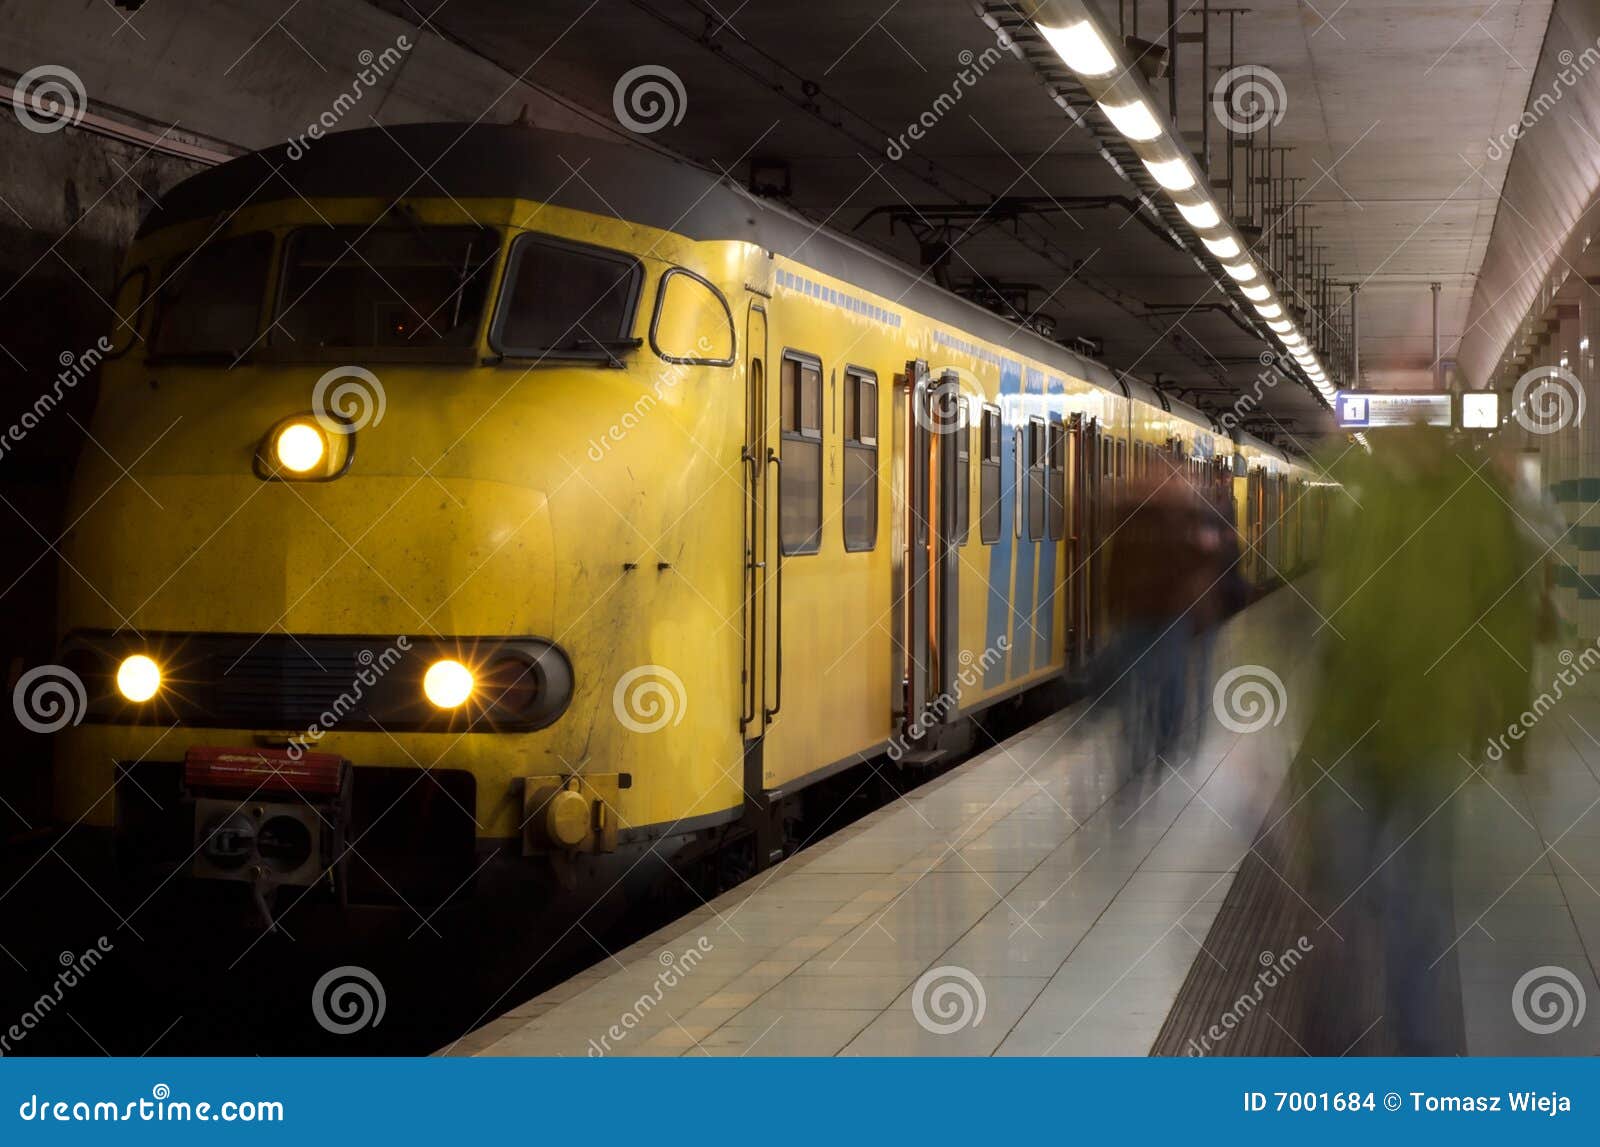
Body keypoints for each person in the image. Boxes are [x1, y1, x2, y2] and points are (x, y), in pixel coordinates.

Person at [1298, 423, 1536, 1054]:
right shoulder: (1359, 482)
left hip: (1427, 731)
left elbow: (1505, 612)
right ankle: (1338, 1046)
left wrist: (1507, 724)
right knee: (1347, 900)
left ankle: (1418, 1070)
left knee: (1415, 907)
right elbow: (1331, 615)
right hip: (1351, 732)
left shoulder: (1473, 499)